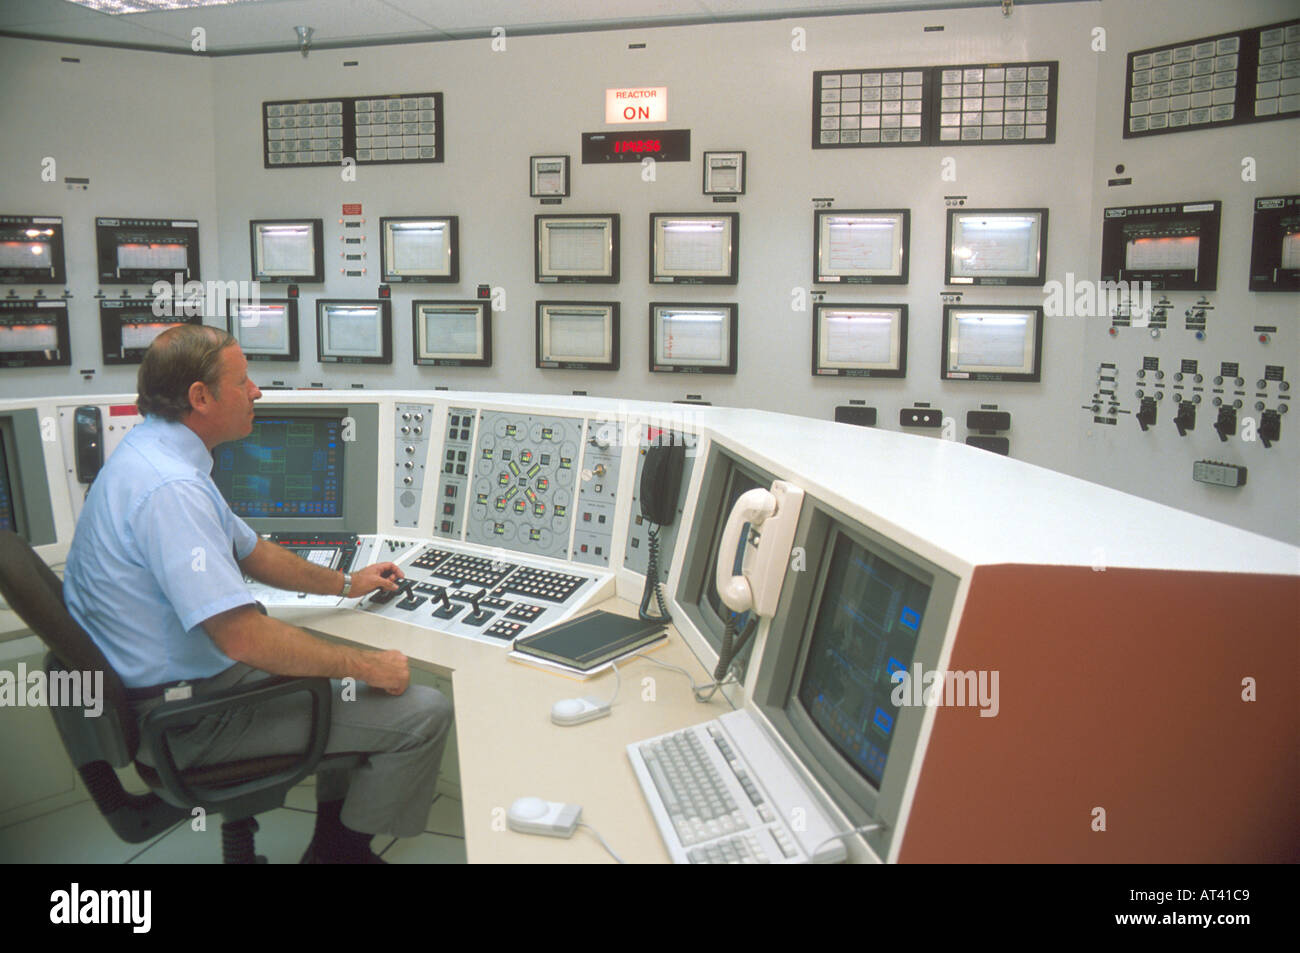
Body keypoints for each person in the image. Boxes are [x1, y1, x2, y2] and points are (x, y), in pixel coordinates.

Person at [64, 324, 453, 863]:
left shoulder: (152, 453)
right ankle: (342, 855)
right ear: (201, 397)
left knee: (332, 670)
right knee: (423, 711)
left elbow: (252, 551)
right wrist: (367, 667)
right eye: (243, 381)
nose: (257, 393)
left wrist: (348, 583)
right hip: (192, 723)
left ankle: (333, 843)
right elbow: (243, 637)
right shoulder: (172, 490)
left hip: (175, 696)